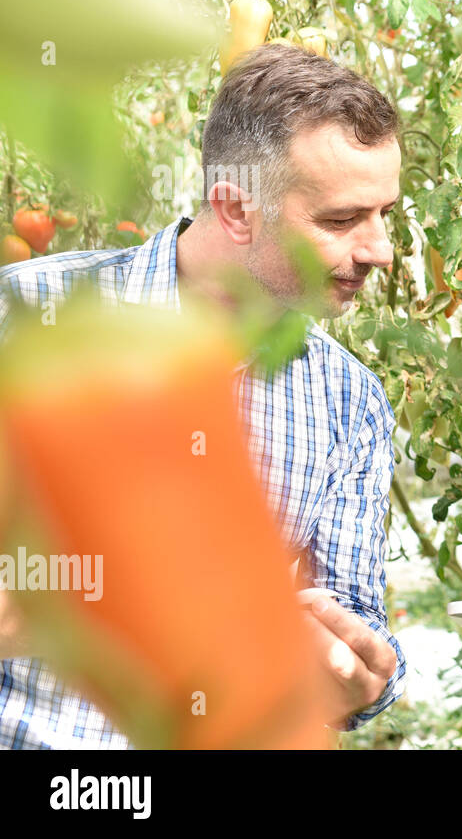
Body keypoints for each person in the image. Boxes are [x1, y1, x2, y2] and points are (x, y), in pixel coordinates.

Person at [0, 44, 406, 747]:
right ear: (236, 208)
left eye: (384, 214)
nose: (380, 249)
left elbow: (354, 617)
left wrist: (363, 675)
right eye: (341, 221)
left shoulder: (349, 400)